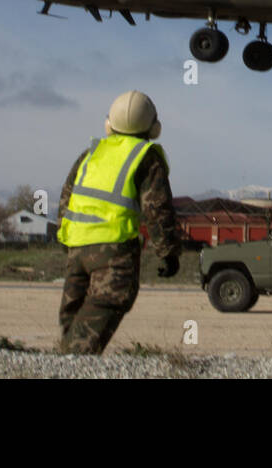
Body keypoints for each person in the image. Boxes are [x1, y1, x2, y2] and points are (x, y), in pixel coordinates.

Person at [57, 90, 182, 354]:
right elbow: (157, 210)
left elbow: (67, 199)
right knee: (101, 311)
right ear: (154, 127)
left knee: (73, 320)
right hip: (113, 251)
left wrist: (66, 241)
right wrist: (169, 252)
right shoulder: (146, 156)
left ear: (109, 123)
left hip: (76, 248)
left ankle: (62, 365)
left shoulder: (91, 153)